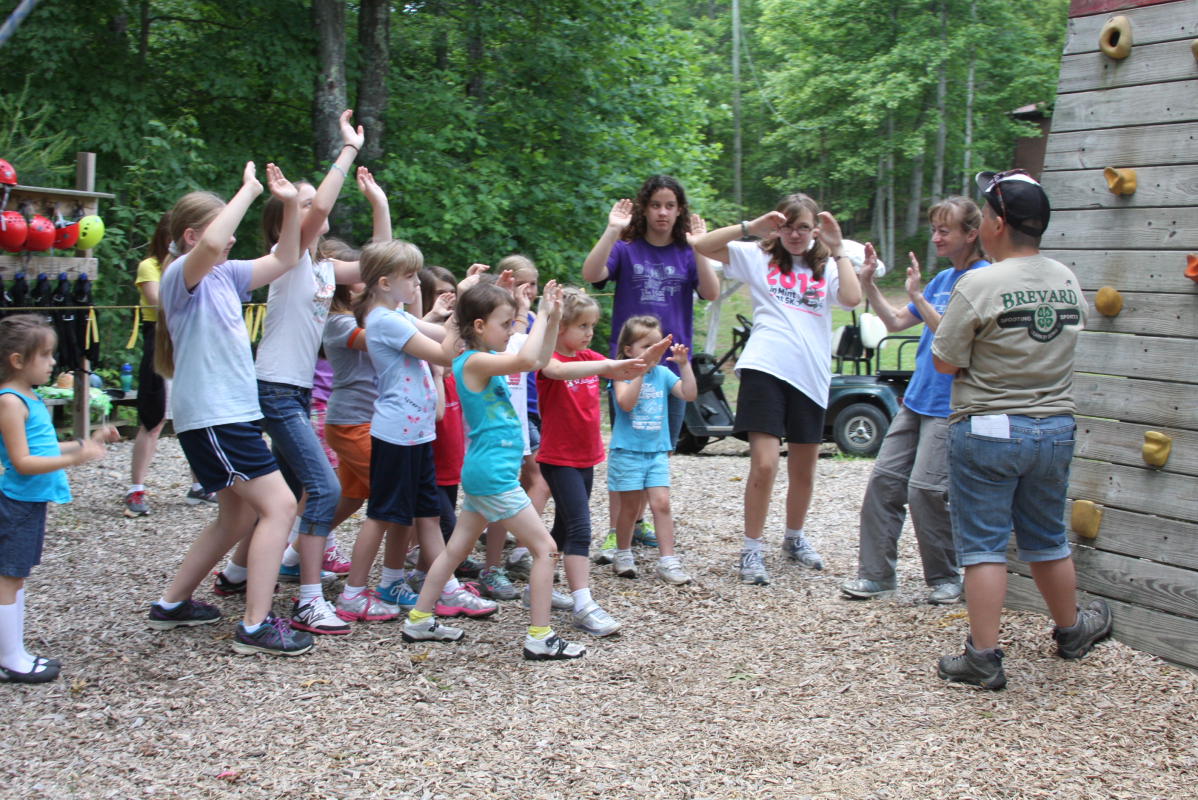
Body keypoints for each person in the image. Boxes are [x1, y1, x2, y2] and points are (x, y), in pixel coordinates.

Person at [931, 170, 1111, 689]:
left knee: (984, 546)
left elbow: (945, 362)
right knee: (1047, 536)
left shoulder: (978, 284)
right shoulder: (1067, 278)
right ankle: (1072, 631)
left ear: (998, 223)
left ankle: (983, 658)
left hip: (988, 428)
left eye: (986, 214)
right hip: (1054, 428)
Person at [147, 162, 314, 656]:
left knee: (236, 519)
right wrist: (248, 190)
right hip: (216, 417)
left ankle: (172, 605)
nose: (235, 240)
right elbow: (214, 245)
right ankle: (256, 625)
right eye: (225, 227)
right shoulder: (182, 273)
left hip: (228, 416)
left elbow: (286, 255)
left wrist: (286, 204)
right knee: (281, 505)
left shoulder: (226, 276)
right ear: (192, 235)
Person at [248, 115, 388, 638]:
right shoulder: (286, 263)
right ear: (287, 220)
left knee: (288, 491)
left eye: (309, 200)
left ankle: (242, 572)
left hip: (294, 392)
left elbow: (381, 267)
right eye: (301, 204)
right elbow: (323, 207)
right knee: (325, 489)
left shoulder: (323, 269)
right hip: (275, 390)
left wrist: (380, 206)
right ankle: (309, 599)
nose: (315, 208)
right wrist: (348, 150)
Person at [402, 280, 586, 660]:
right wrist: (544, 316)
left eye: (515, 324)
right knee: (545, 549)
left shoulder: (483, 356)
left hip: (485, 472)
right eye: (507, 324)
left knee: (455, 551)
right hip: (493, 476)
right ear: (481, 326)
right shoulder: (473, 360)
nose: (513, 331)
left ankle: (419, 619)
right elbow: (526, 360)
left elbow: (538, 359)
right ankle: (540, 636)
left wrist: (549, 319)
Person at [692, 194, 862, 585]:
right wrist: (753, 225)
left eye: (803, 227)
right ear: (778, 226)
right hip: (765, 367)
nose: (795, 235)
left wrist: (838, 250)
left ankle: (794, 538)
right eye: (788, 226)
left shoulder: (828, 265)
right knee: (765, 464)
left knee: (804, 468)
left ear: (814, 230)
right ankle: (752, 549)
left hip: (811, 375)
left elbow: (851, 298)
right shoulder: (759, 256)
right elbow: (700, 245)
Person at [334, 240, 494, 622]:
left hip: (417, 432)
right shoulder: (384, 320)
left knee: (424, 514)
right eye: (409, 277)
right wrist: (467, 301)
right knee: (383, 514)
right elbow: (444, 352)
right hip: (397, 434)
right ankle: (353, 594)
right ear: (385, 282)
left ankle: (410, 584)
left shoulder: (397, 315)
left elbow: (440, 334)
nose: (415, 283)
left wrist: (461, 305)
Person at [840, 197, 989, 605]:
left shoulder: (983, 279)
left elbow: (957, 340)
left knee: (926, 490)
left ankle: (944, 577)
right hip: (918, 399)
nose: (936, 236)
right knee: (883, 483)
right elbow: (894, 322)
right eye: (935, 229)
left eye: (945, 230)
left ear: (971, 234)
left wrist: (919, 298)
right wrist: (869, 282)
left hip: (952, 403)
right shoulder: (942, 279)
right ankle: (876, 575)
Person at [582, 176, 720, 560]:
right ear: (644, 208)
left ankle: (636, 523)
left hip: (672, 366)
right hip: (629, 365)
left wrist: (701, 249)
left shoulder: (687, 252)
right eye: (656, 205)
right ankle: (615, 532)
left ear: (680, 211)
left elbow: (710, 293)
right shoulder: (626, 248)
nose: (662, 212)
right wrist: (612, 231)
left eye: (670, 206)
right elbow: (591, 274)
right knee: (628, 445)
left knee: (659, 447)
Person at [0, 315, 115, 683]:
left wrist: (86, 444)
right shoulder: (10, 401)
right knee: (7, 577)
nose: (53, 363)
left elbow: (43, 446)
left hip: (29, 503)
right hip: (14, 502)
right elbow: (23, 461)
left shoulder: (30, 397)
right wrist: (73, 457)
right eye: (46, 356)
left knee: (15, 577)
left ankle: (13, 652)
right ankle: (10, 658)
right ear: (18, 360)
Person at [536, 288, 646, 636]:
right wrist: (608, 364)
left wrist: (647, 358)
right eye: (582, 325)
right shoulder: (548, 362)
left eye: (592, 325)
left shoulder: (588, 357)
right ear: (560, 327)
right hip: (558, 458)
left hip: (585, 458)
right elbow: (557, 371)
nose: (588, 332)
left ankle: (535, 590)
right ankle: (583, 604)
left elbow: (621, 372)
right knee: (582, 529)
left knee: (565, 528)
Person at [124, 212, 214, 517]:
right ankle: (136, 488)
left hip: (191, 340)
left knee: (197, 414)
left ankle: (200, 484)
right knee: (153, 419)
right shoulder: (149, 266)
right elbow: (162, 303)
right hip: (160, 340)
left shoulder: (196, 267)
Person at [607, 315, 697, 585]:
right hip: (628, 452)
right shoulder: (620, 371)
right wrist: (640, 369)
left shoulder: (664, 374)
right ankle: (623, 553)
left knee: (662, 504)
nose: (655, 351)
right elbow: (625, 403)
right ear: (628, 350)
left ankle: (668, 560)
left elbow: (689, 394)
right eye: (648, 346)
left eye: (658, 345)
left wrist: (685, 366)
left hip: (656, 452)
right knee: (630, 509)